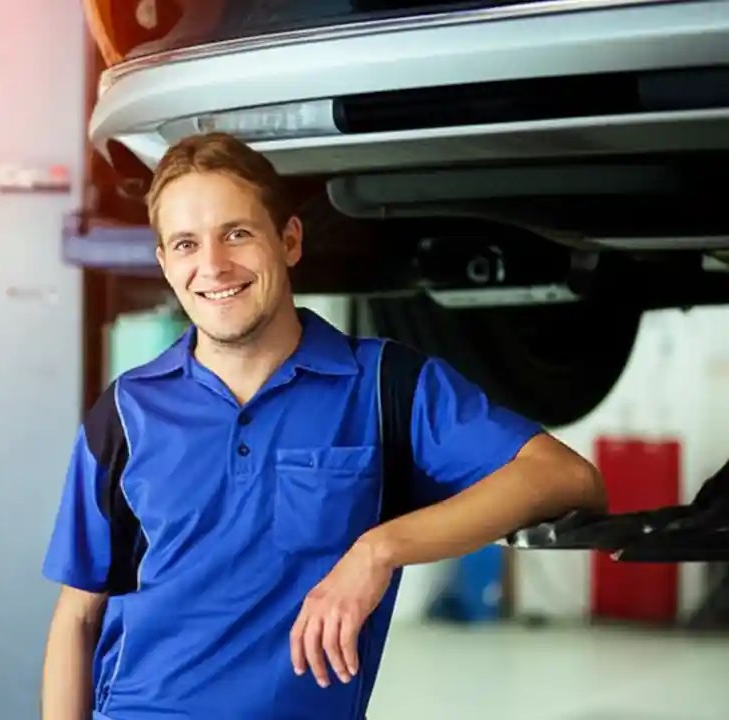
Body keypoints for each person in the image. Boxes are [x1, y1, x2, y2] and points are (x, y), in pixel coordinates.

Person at [39, 132, 608, 720]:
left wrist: (380, 550)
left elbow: (567, 477)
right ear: (164, 262)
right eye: (186, 244)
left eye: (237, 233)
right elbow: (78, 616)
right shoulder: (126, 413)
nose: (213, 265)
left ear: (289, 240)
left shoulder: (385, 388)